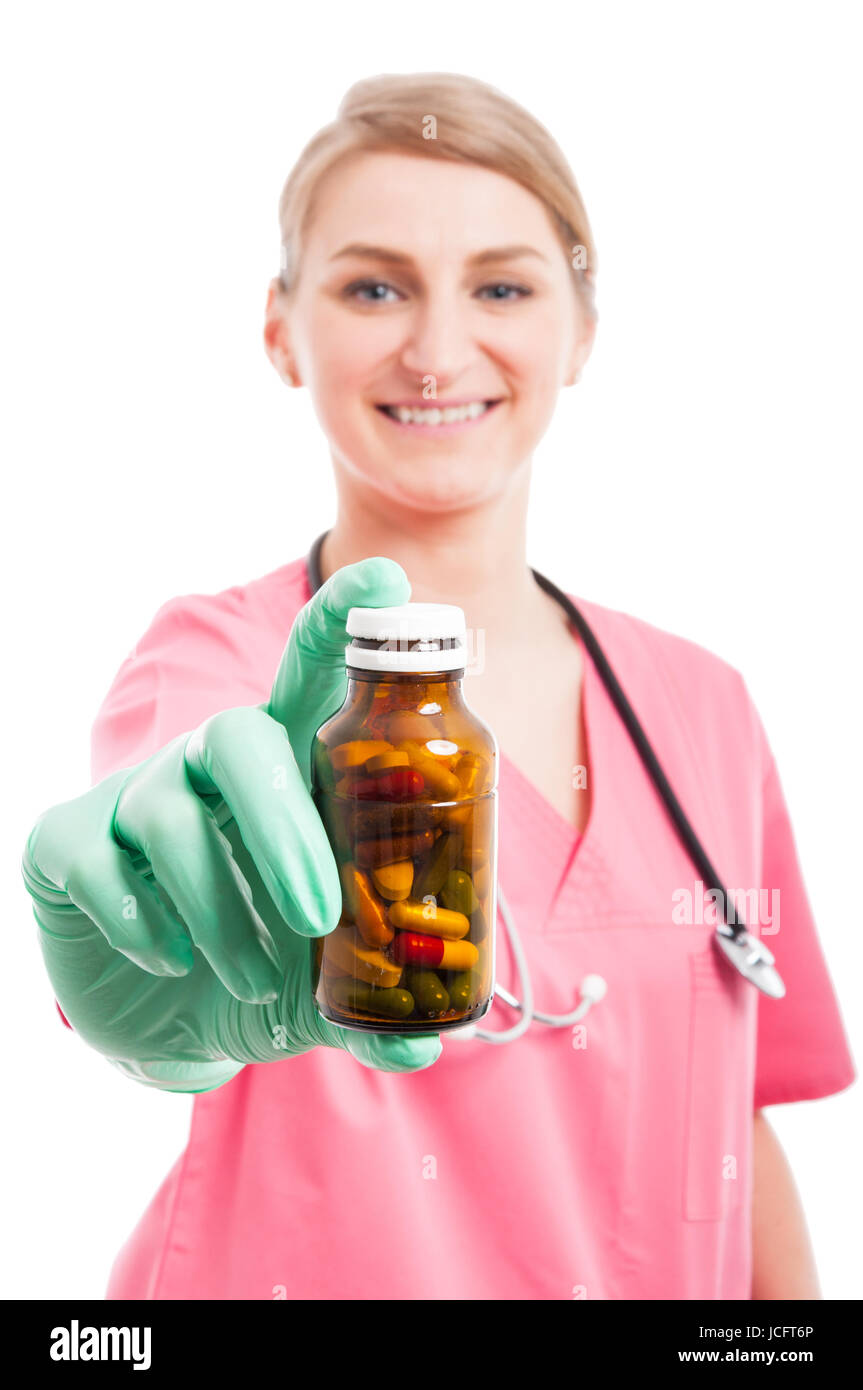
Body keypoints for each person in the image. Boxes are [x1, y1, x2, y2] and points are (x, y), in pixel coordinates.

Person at [22, 72, 855, 1301]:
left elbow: (736, 1121)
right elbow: (166, 835)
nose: (436, 349)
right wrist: (163, 998)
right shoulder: (215, 666)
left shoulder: (702, 706)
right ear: (277, 327)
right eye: (372, 286)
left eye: (502, 286)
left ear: (580, 331)